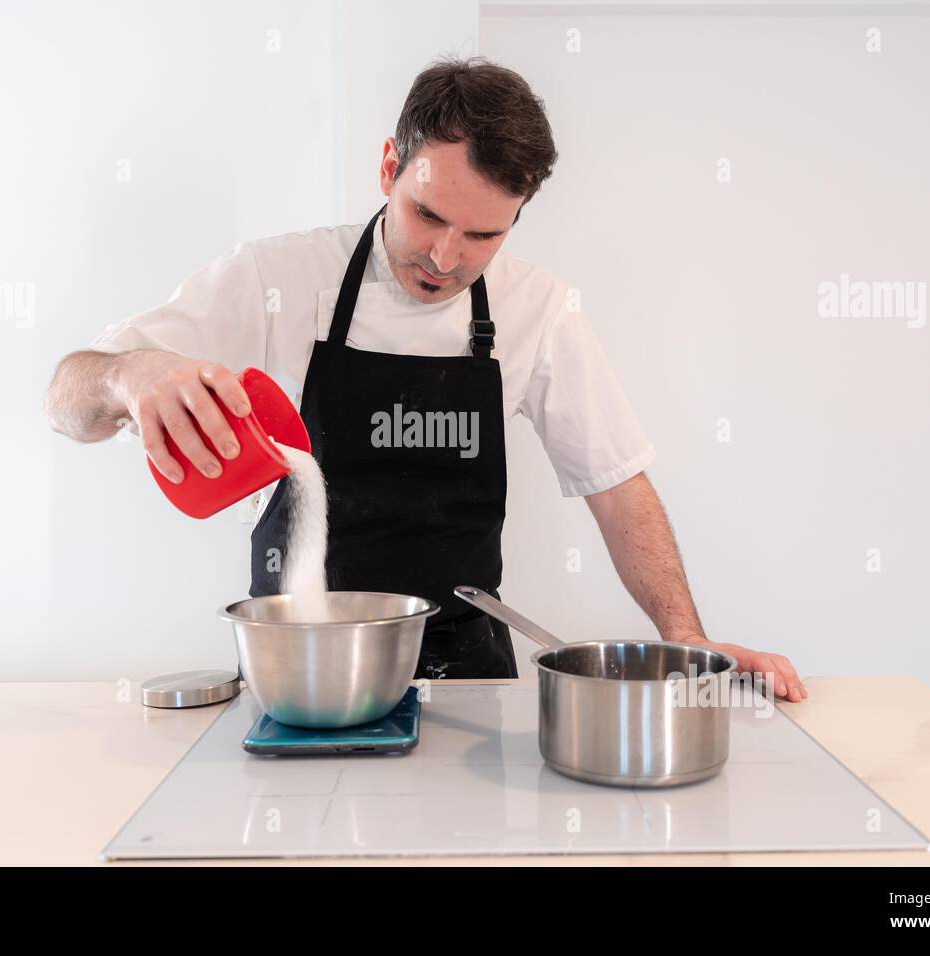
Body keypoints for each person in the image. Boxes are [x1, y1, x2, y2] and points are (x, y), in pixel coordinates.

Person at [45, 56, 806, 700]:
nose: (446, 257)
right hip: (304, 677)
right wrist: (132, 377)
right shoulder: (277, 277)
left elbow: (619, 488)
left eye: (483, 235)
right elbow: (67, 396)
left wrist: (687, 638)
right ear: (389, 167)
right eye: (428, 215)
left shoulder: (536, 307)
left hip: (469, 686)